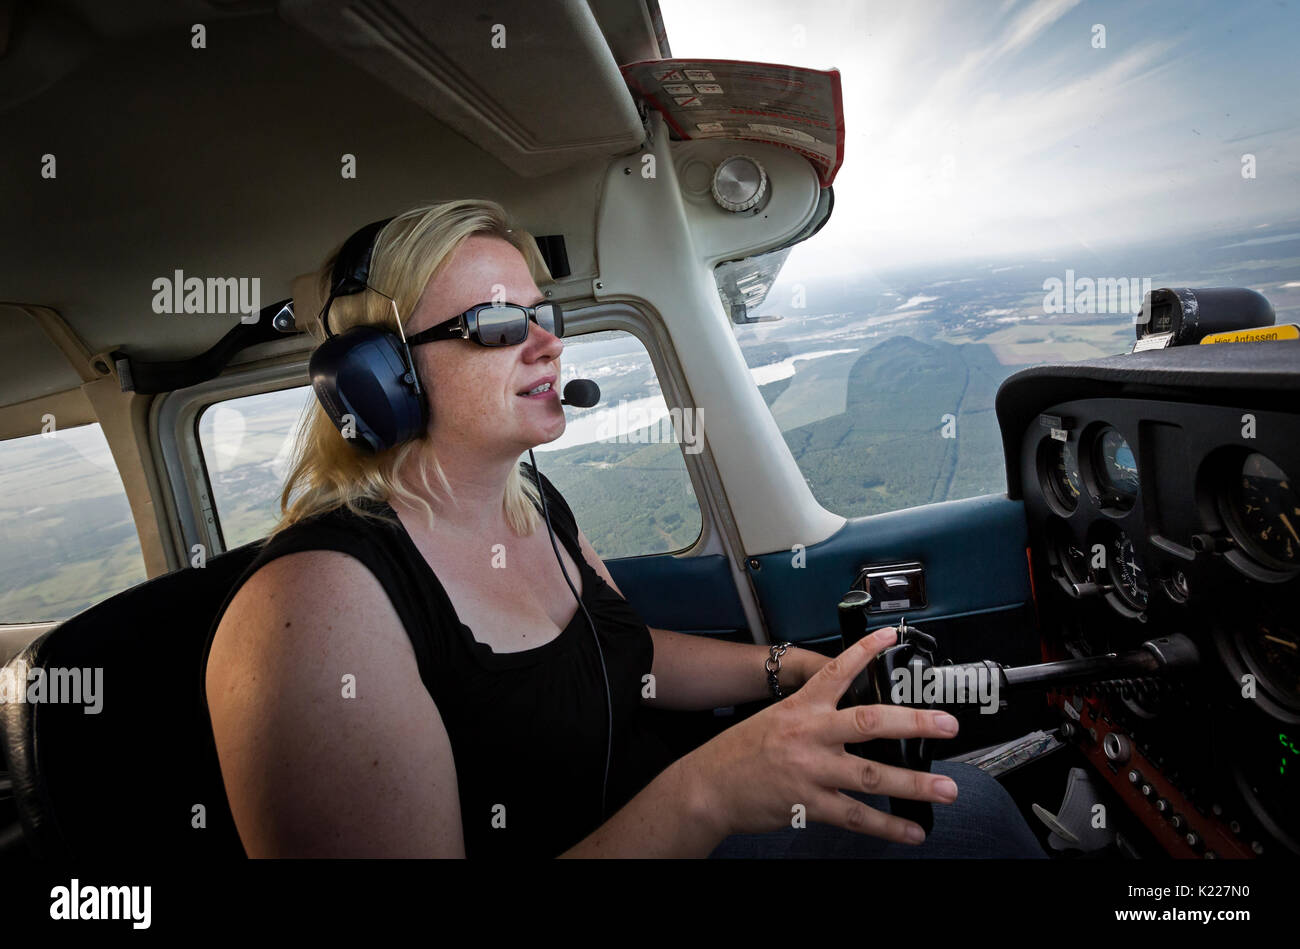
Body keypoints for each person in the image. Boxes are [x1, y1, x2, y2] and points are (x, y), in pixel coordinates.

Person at [202, 198, 1045, 859]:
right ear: (382, 376)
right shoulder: (313, 608)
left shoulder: (533, 504)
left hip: (679, 828)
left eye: (545, 315)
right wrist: (706, 792)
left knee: (971, 811)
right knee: (968, 824)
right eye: (497, 325)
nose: (545, 344)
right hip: (676, 825)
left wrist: (792, 668)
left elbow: (628, 655)